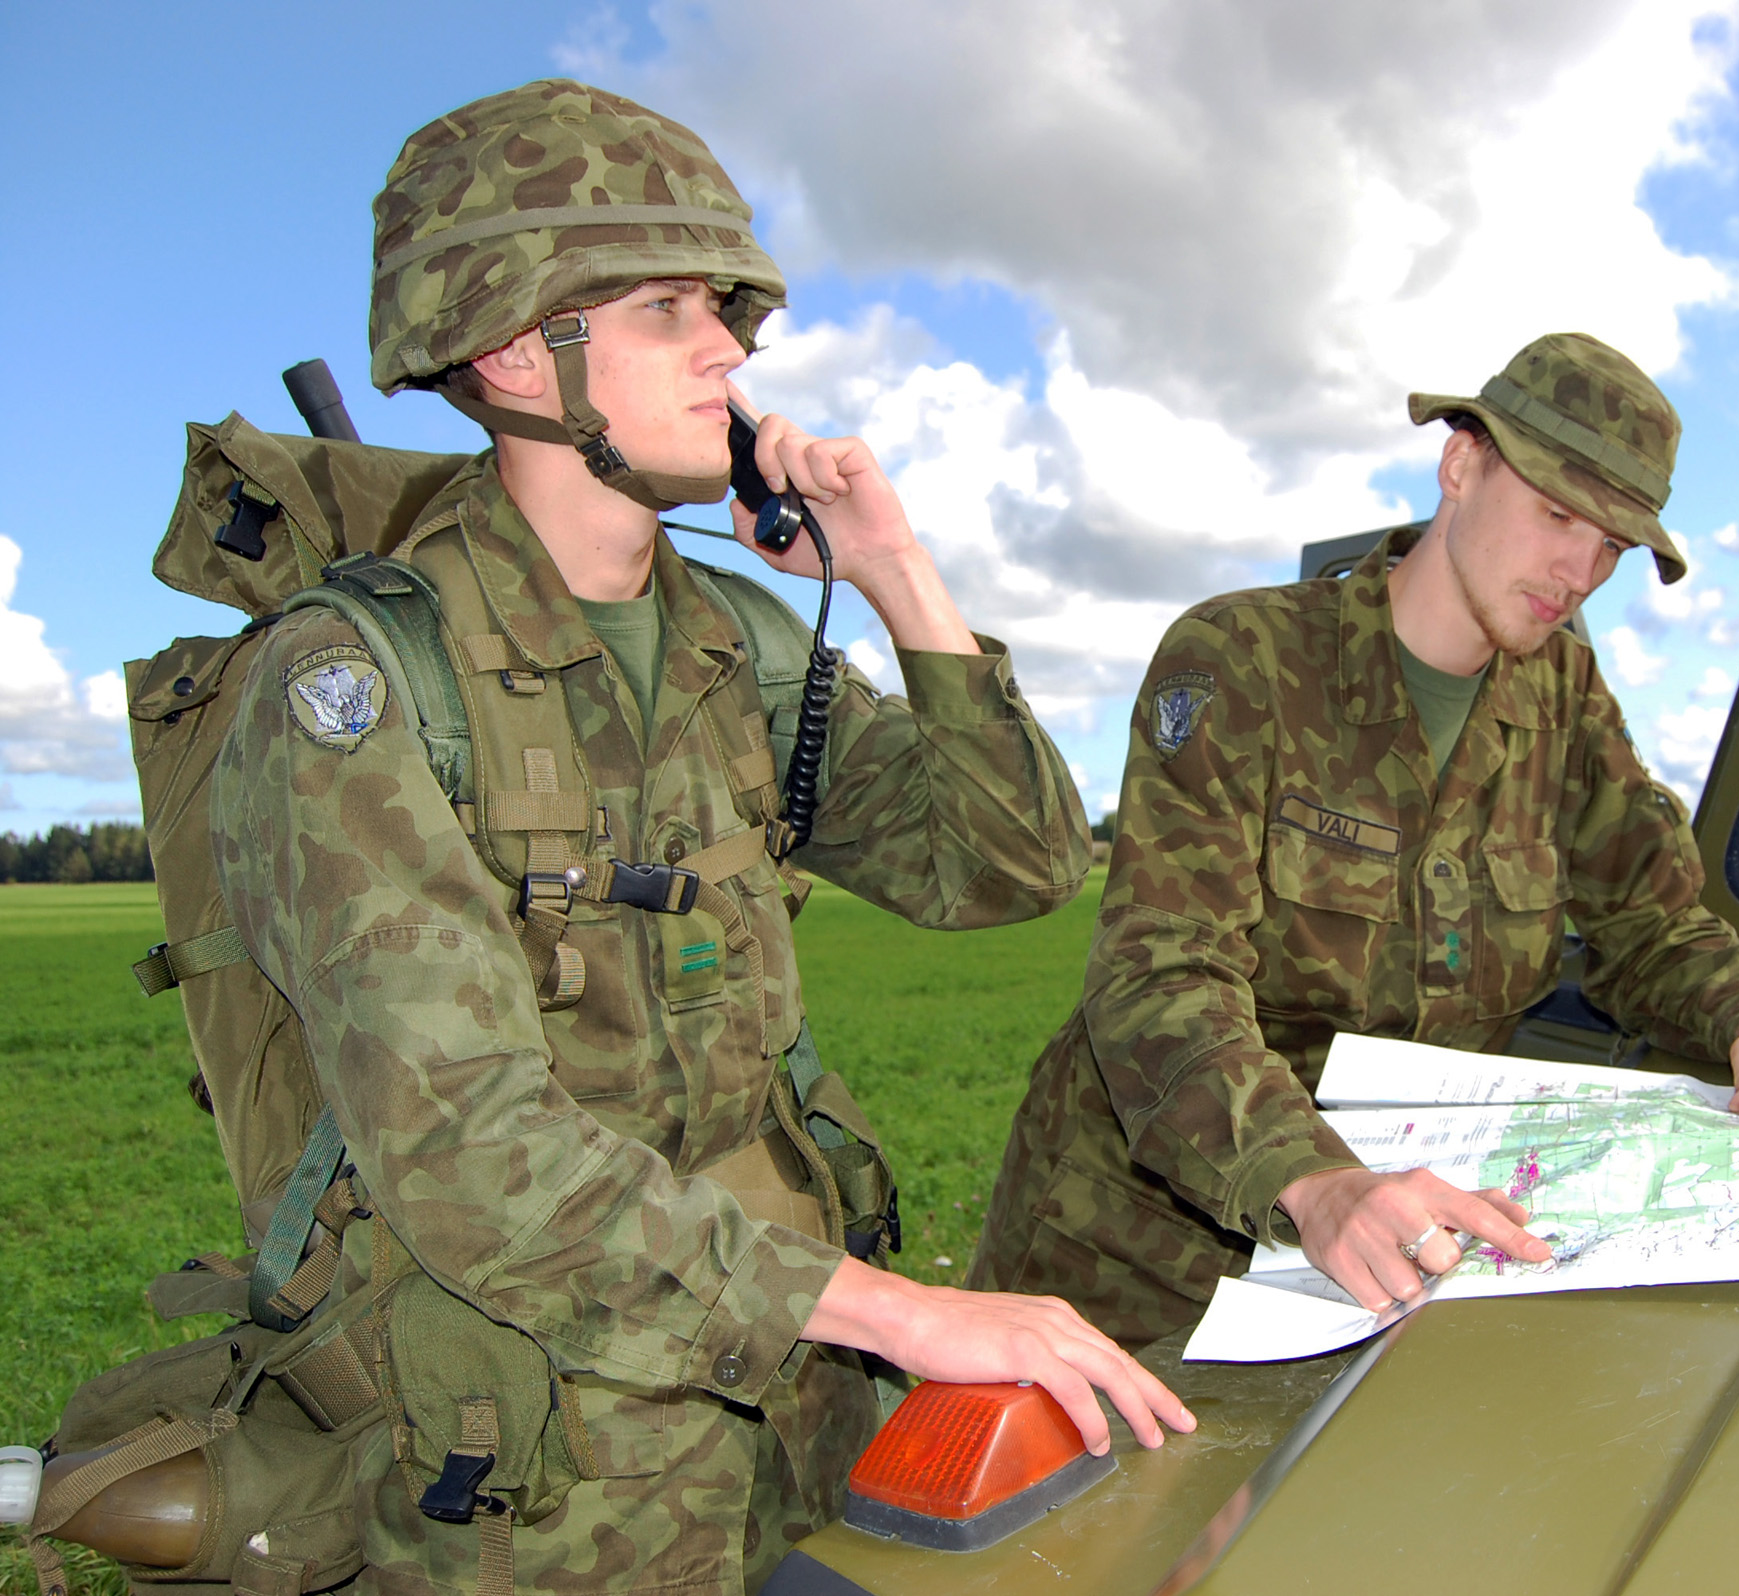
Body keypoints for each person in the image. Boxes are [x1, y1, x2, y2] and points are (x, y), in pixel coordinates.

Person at [215, 80, 1189, 1594]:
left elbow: (1008, 869)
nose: (731, 350)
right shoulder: (353, 683)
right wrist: (895, 1312)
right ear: (510, 347)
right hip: (553, 1454)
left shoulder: (738, 641)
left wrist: (896, 575)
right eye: (669, 306)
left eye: (724, 308)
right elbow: (468, 1148)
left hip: (797, 1398)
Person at [970, 332, 1739, 1346]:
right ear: (1461, 464)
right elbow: (1158, 977)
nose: (1579, 568)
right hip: (1137, 1254)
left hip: (1403, 1255)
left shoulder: (1562, 695)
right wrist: (1317, 1180)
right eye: (1558, 513)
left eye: (1612, 544)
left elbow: (1652, 929)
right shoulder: (1247, 660)